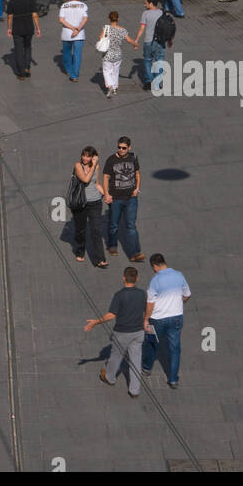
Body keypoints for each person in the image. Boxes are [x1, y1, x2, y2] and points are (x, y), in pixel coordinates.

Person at [84, 267, 147, 398]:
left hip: (122, 332)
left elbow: (111, 315)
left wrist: (96, 322)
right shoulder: (142, 294)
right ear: (137, 279)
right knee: (136, 360)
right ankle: (134, 390)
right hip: (138, 332)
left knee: (115, 357)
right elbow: (148, 308)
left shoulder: (120, 295)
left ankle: (110, 377)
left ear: (123, 278)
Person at [141, 254, 192, 389]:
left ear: (155, 266)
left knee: (151, 342)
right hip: (176, 317)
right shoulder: (179, 275)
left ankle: (147, 368)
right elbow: (187, 295)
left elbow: (150, 303)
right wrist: (177, 302)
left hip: (157, 319)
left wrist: (146, 319)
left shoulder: (155, 280)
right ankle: (173, 379)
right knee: (175, 349)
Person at [103, 137, 143, 262]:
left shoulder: (133, 157)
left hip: (131, 198)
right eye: (119, 147)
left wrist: (137, 188)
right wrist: (106, 194)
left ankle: (135, 253)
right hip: (116, 199)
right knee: (114, 225)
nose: (121, 150)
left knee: (131, 226)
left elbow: (137, 173)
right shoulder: (111, 160)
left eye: (124, 148)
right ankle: (112, 246)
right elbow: (105, 178)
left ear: (129, 148)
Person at [70, 146, 107, 267]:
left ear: (93, 156)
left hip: (95, 202)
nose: (85, 158)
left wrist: (106, 194)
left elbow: (96, 183)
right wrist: (93, 165)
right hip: (81, 203)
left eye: (88, 156)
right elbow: (86, 180)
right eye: (84, 155)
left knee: (96, 230)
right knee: (81, 230)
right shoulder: (78, 166)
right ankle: (80, 251)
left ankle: (100, 259)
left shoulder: (96, 167)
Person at [98, 10, 137, 98]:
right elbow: (129, 40)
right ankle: (115, 88)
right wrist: (135, 44)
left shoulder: (106, 28)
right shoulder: (122, 30)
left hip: (108, 54)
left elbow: (100, 38)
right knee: (115, 71)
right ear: (118, 19)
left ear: (109, 18)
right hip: (118, 54)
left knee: (106, 71)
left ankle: (110, 85)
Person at [5, 0, 40, 80]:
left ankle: (21, 73)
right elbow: (35, 15)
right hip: (29, 29)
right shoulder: (31, 1)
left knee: (19, 50)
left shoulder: (12, 2)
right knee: (28, 47)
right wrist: (38, 28)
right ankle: (27, 68)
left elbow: (10, 16)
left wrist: (9, 28)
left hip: (17, 30)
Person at [134, 0, 165, 92]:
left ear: (151, 3)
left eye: (145, 3)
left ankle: (149, 81)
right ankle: (158, 82)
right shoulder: (162, 13)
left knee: (147, 61)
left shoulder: (145, 14)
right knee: (159, 61)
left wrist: (136, 40)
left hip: (148, 41)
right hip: (160, 42)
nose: (144, 5)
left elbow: (142, 29)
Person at [59, 0, 89, 83]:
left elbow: (61, 20)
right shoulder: (83, 5)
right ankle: (75, 75)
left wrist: (72, 28)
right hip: (79, 35)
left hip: (67, 34)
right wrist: (78, 29)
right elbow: (85, 18)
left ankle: (69, 71)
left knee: (67, 54)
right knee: (77, 55)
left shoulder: (64, 6)